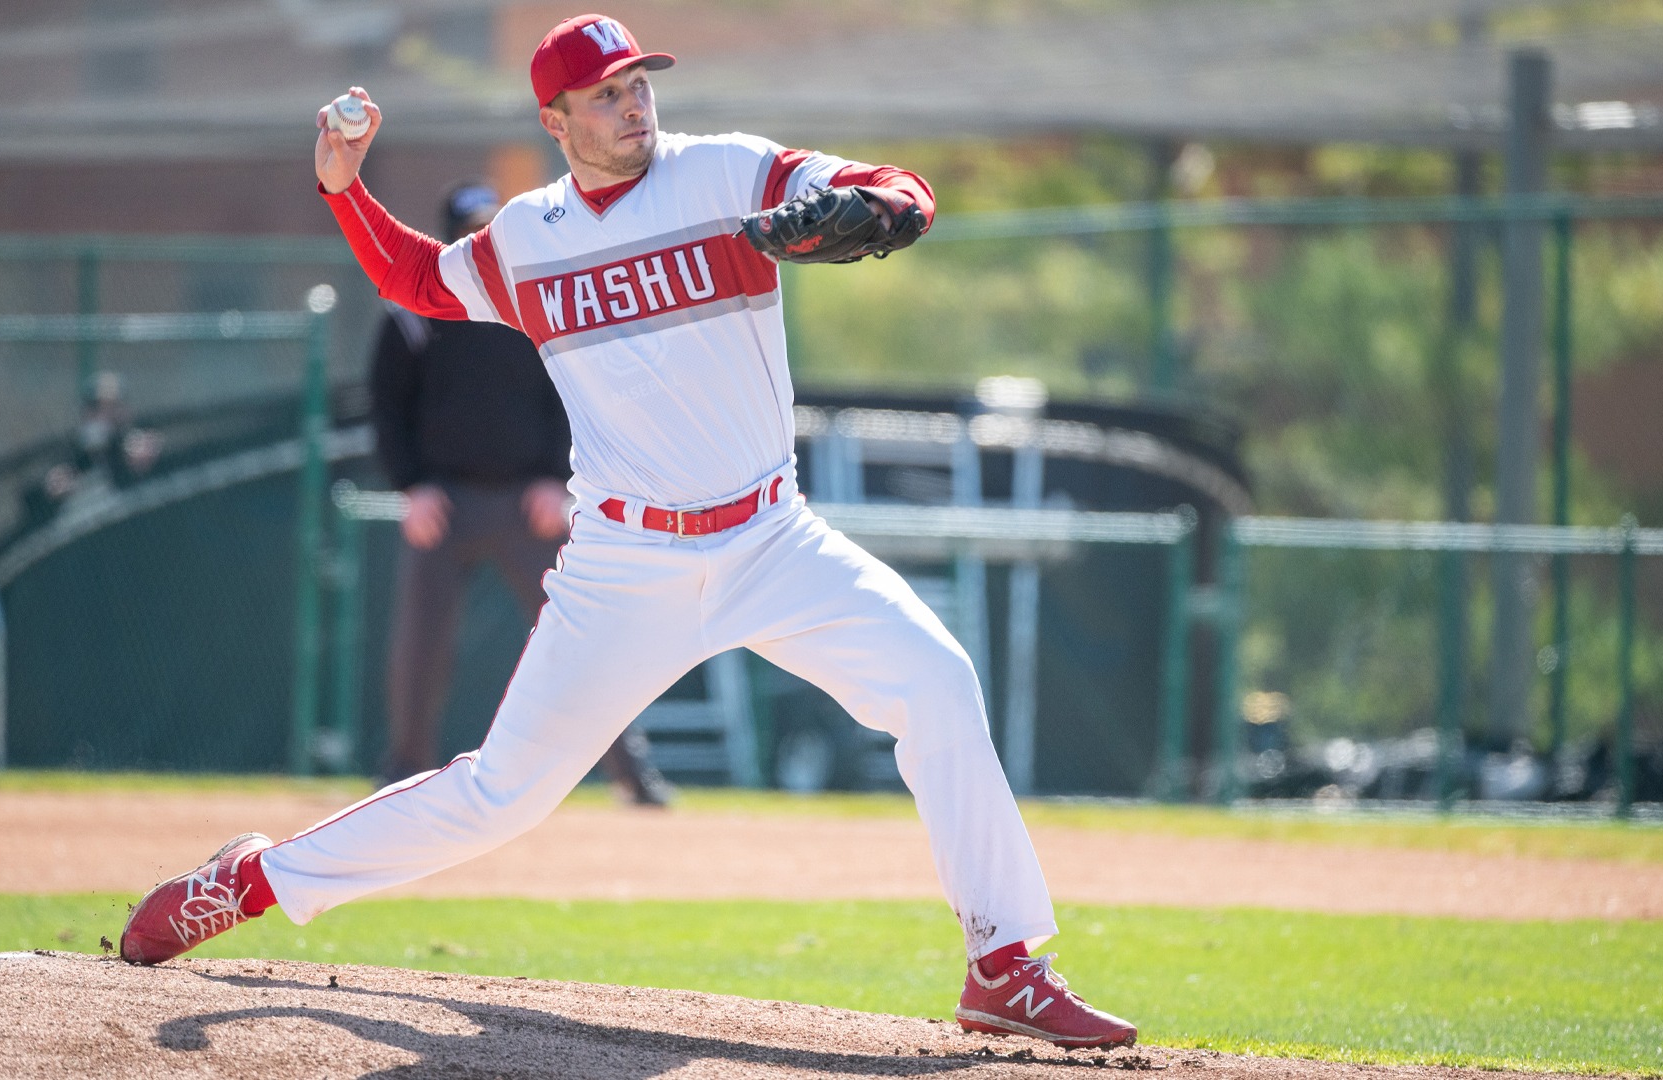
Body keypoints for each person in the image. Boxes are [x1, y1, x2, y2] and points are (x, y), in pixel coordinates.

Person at [120, 13, 1135, 1050]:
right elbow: (417, 282)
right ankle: (251, 882)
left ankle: (1005, 963)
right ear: (556, 119)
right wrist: (345, 190)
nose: (634, 100)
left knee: (937, 680)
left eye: (640, 81)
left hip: (771, 540)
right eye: (606, 92)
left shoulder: (729, 175)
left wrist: (874, 209)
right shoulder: (529, 237)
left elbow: (899, 189)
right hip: (625, 564)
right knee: (500, 797)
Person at [370, 181, 670, 804]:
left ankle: (631, 775)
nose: (481, 241)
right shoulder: (411, 315)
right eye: (469, 230)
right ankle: (402, 773)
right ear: (449, 240)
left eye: (489, 229)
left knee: (579, 638)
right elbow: (387, 411)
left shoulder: (535, 307)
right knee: (420, 646)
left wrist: (558, 479)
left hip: (529, 507)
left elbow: (577, 393)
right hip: (443, 504)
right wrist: (413, 486)